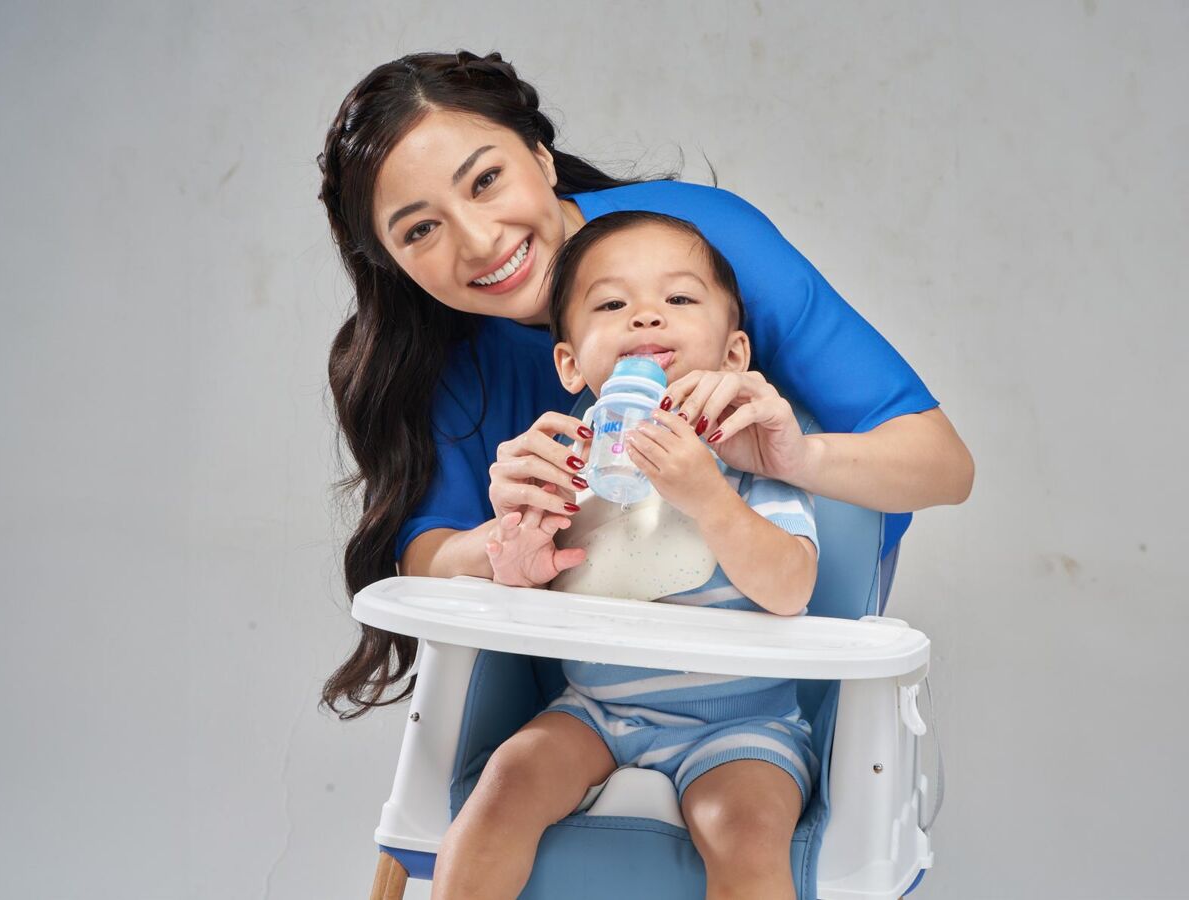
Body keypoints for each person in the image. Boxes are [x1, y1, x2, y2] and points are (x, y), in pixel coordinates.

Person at [316, 50, 974, 716]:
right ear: (393, 261)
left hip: (790, 635)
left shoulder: (700, 247)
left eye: (485, 180)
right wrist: (500, 535)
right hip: (594, 665)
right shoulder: (443, 353)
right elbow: (427, 555)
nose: (480, 241)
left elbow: (943, 465)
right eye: (421, 229)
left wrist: (795, 459)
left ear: (540, 157)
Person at [434, 210, 820, 898]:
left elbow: (790, 589)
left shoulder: (751, 462)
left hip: (741, 723)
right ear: (570, 363)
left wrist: (710, 498)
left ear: (734, 355)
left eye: (677, 299)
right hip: (595, 709)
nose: (645, 318)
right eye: (613, 304)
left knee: (748, 834)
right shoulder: (563, 467)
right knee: (502, 788)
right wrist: (519, 563)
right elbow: (538, 596)